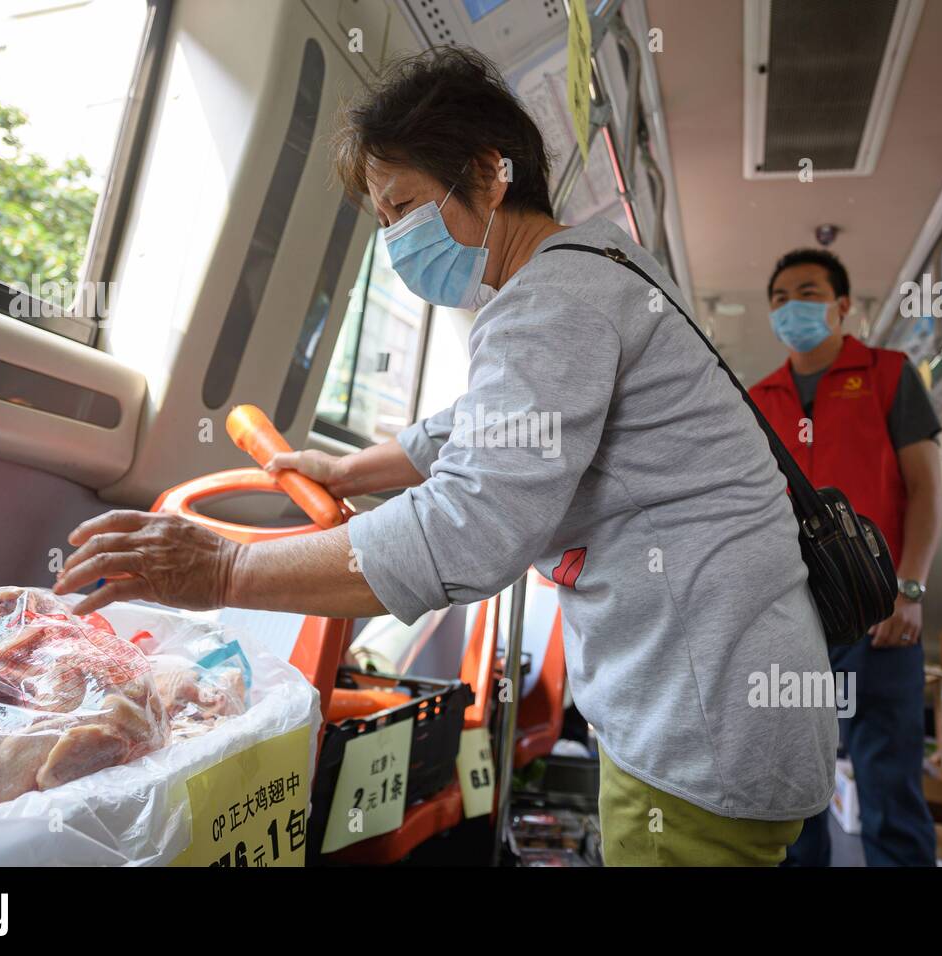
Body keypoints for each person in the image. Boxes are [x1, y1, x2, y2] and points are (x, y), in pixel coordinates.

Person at [53, 47, 836, 866]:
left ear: (490, 174)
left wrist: (222, 571)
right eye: (383, 221)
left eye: (406, 207)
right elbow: (489, 422)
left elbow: (467, 531)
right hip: (726, 689)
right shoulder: (596, 265)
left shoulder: (552, 302)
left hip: (700, 719)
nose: (395, 239)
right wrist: (349, 471)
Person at [750, 248, 942, 867]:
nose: (790, 307)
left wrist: (909, 590)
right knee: (792, 799)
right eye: (778, 298)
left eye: (805, 292)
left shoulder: (889, 373)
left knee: (889, 786)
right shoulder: (759, 397)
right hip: (790, 622)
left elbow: (927, 491)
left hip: (878, 612)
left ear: (841, 306)